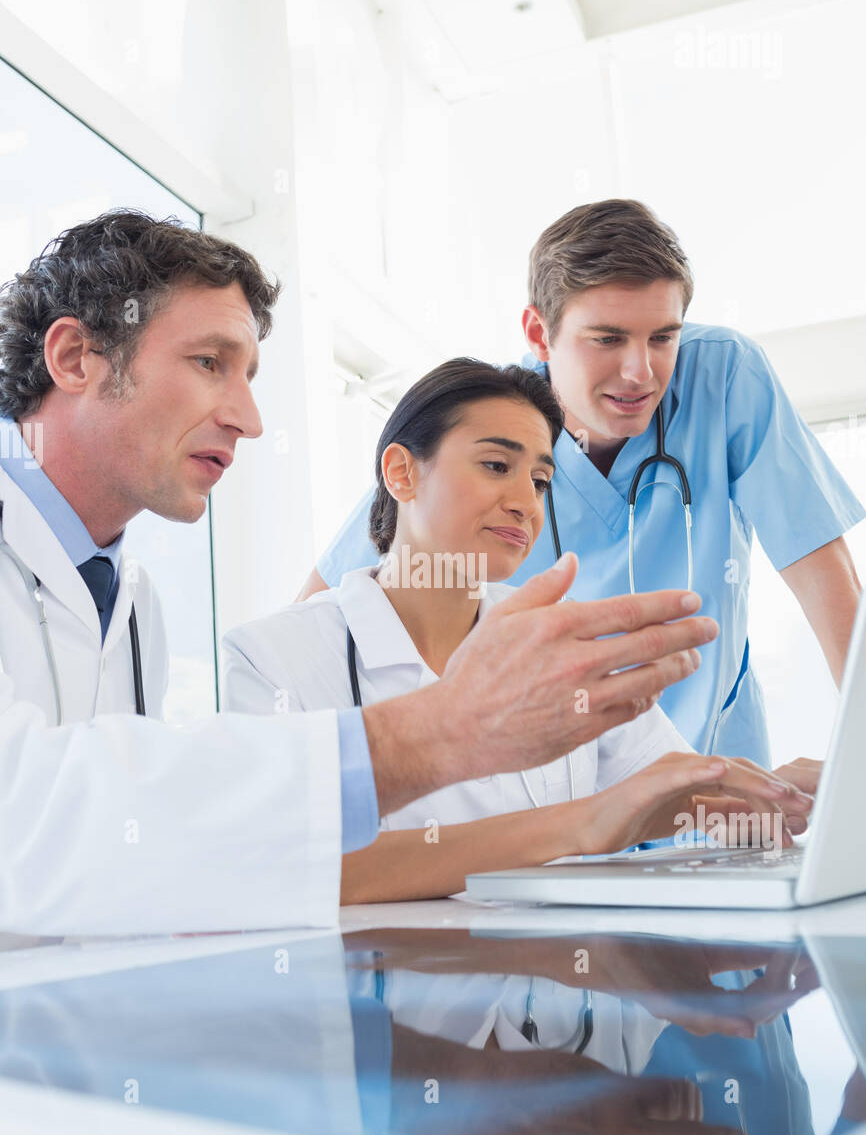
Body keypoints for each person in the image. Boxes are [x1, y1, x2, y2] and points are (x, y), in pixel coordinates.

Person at [0, 212, 718, 937]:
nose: (249, 419)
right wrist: (445, 735)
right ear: (73, 357)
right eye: (209, 363)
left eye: (538, 479)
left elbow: (147, 861)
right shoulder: (276, 649)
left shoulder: (131, 602)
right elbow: (33, 821)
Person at [223, 359, 815, 902]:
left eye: (538, 481)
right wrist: (578, 827)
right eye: (496, 466)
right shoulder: (274, 658)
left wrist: (775, 797)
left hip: (563, 994)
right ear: (402, 473)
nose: (525, 504)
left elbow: (659, 787)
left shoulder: (557, 639)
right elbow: (280, 868)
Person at [299, 200, 864, 768]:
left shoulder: (724, 376)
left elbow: (825, 578)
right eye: (607, 339)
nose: (641, 372)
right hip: (547, 795)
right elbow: (324, 612)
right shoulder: (486, 421)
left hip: (713, 780)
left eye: (663, 337)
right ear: (540, 335)